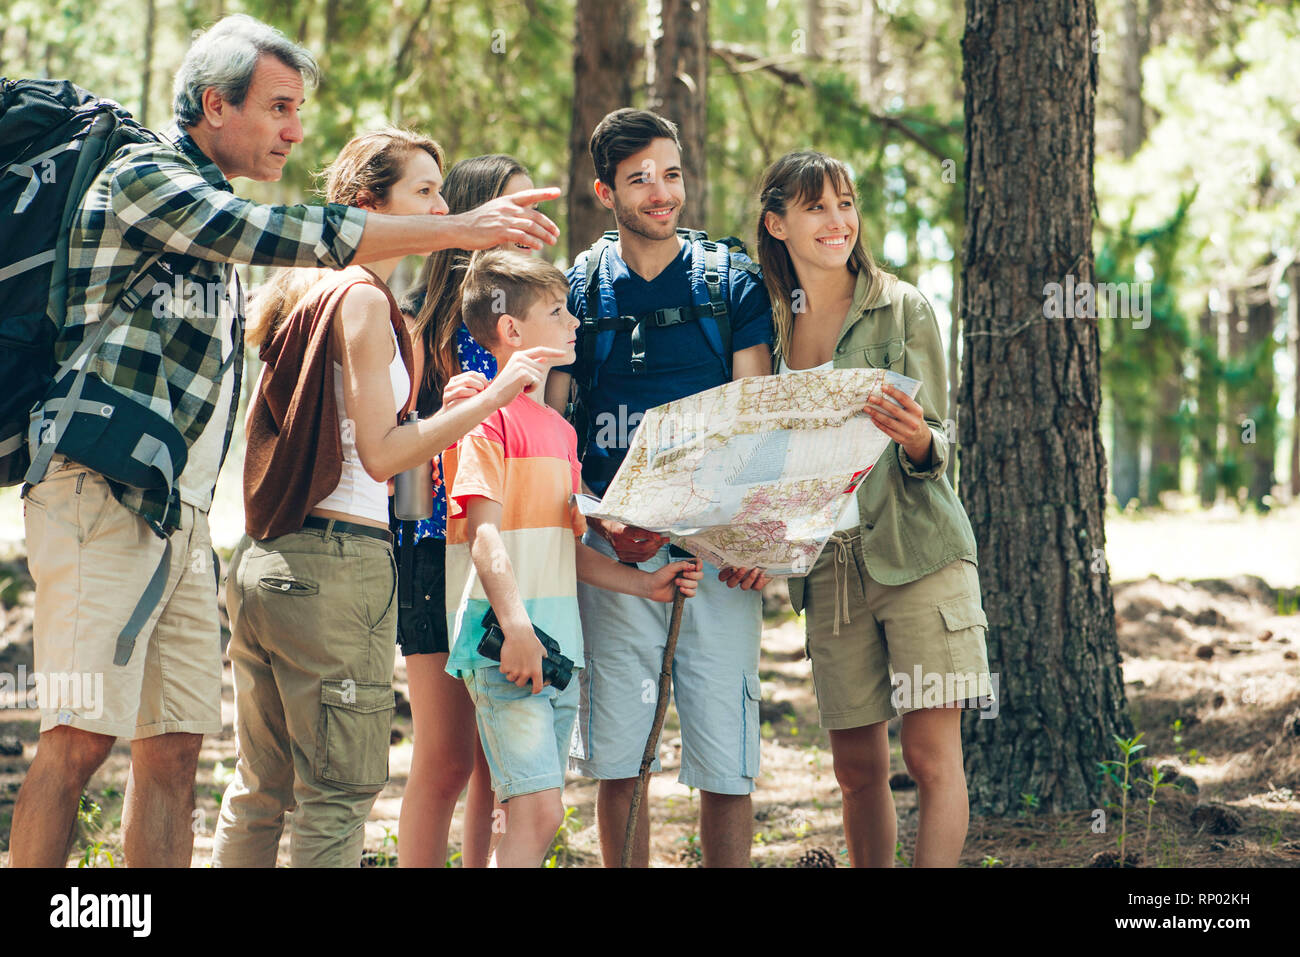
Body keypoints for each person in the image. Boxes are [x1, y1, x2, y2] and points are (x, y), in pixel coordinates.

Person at [9, 13, 559, 869]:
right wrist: (463, 232)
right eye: (278, 107)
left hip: (184, 520)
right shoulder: (145, 178)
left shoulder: (230, 236)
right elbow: (277, 235)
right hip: (97, 492)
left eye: (298, 109)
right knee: (78, 739)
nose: (294, 130)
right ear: (213, 105)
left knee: (177, 750)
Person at [210, 130, 563, 868]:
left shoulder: (309, 290)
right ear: (371, 206)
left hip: (270, 558)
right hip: (338, 566)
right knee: (335, 796)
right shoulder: (368, 303)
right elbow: (379, 455)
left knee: (261, 788)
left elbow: (350, 435)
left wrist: (430, 416)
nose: (442, 208)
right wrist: (489, 398)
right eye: (425, 193)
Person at [543, 109, 774, 867]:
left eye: (671, 173)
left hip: (715, 552)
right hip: (615, 552)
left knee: (725, 753)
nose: (661, 192)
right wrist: (600, 524)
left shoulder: (731, 282)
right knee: (620, 753)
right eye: (640, 178)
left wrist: (744, 537)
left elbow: (754, 422)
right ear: (605, 190)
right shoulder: (577, 290)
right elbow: (554, 429)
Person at [753, 149, 992, 867]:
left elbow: (939, 440)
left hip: (918, 553)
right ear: (778, 223)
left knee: (929, 756)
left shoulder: (905, 305)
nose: (838, 221)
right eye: (817, 206)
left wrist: (918, 437)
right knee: (856, 771)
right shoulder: (763, 328)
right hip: (829, 571)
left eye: (847, 203)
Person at [446, 249, 704, 868]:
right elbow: (483, 536)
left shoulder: (559, 431)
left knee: (541, 813)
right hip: (510, 645)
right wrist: (515, 629)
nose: (574, 324)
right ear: (511, 329)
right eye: (558, 313)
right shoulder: (479, 416)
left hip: (558, 649)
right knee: (534, 814)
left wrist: (645, 587)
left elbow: (566, 548)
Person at [395, 154, 536, 869]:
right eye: (510, 208)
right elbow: (401, 457)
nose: (526, 223)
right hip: (434, 550)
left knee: (496, 760)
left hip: (516, 552)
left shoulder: (530, 318)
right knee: (446, 756)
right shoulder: (420, 323)